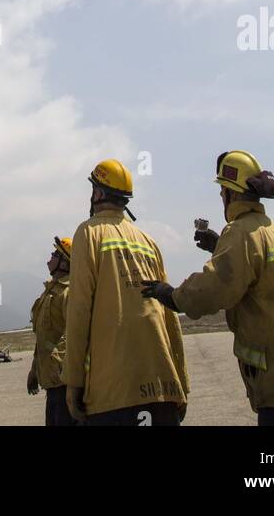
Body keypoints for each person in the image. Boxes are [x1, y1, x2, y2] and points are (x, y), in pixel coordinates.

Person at [143, 150, 274, 427]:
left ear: (229, 193)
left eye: (222, 192)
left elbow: (215, 288)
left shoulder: (240, 232)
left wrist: (171, 295)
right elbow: (256, 271)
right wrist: (218, 246)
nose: (222, 198)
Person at [62, 159, 189, 426]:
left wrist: (73, 382)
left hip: (113, 395)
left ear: (97, 193)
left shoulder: (88, 234)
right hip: (161, 388)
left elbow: (79, 312)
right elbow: (169, 317)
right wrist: (181, 384)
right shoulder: (148, 242)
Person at [28, 236, 75, 426]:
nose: (51, 257)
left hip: (65, 384)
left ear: (65, 263)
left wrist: (61, 368)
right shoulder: (50, 291)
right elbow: (43, 337)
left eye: (56, 254)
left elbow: (74, 333)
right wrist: (35, 371)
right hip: (52, 384)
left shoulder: (70, 293)